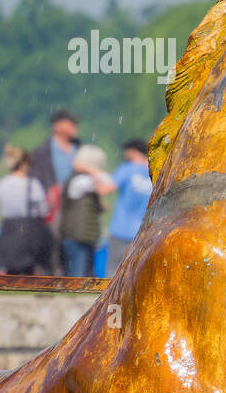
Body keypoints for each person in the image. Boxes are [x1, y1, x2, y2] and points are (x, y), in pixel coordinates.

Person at [31, 109, 80, 274]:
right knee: (51, 244)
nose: (75, 127)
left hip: (75, 206)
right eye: (71, 123)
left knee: (73, 245)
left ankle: (71, 280)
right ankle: (48, 280)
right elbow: (36, 178)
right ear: (57, 126)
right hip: (52, 206)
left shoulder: (79, 148)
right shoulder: (42, 151)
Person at [0, 146, 52, 275]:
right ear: (25, 164)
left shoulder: (1, 184)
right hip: (28, 231)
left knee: (8, 267)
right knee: (32, 267)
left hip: (7, 229)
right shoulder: (32, 184)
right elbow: (43, 210)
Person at [59, 144, 115, 278]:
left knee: (82, 275)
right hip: (78, 236)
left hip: (82, 235)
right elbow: (108, 180)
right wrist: (90, 168)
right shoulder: (80, 180)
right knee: (78, 277)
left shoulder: (80, 180)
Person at [107, 139, 152, 272]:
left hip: (120, 230)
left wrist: (92, 173)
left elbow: (105, 189)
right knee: (135, 273)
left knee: (113, 275)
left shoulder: (127, 169)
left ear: (132, 152)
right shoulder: (154, 172)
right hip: (143, 232)